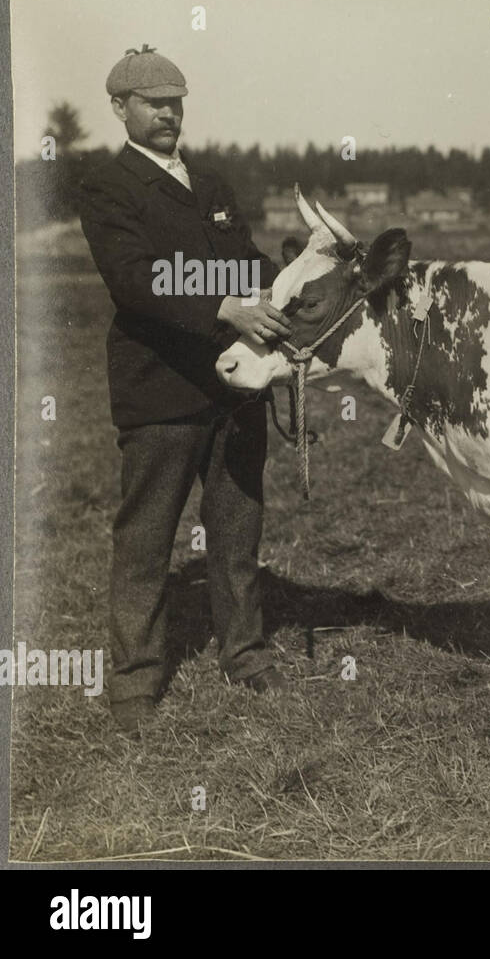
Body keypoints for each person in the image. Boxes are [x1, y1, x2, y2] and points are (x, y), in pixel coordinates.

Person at [79, 45, 291, 733]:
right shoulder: (109, 187)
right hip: (160, 389)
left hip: (235, 387)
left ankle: (246, 654)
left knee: (236, 530)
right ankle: (135, 686)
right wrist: (225, 308)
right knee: (146, 540)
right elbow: (134, 279)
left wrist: (293, 276)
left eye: (176, 102)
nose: (168, 114)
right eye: (152, 103)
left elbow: (244, 263)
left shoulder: (213, 184)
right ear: (120, 108)